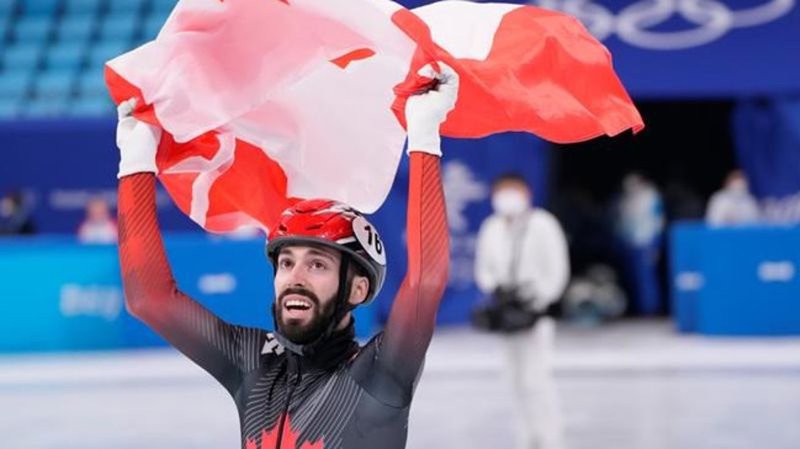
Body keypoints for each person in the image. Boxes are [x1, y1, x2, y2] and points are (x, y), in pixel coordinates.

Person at [115, 63, 457, 449]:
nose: (296, 276)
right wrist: (136, 161)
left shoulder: (377, 376)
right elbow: (149, 299)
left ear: (357, 289)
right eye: (286, 262)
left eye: (318, 264)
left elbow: (425, 282)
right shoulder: (254, 363)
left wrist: (424, 137)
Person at [474, 173, 570, 449]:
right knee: (513, 378)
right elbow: (483, 268)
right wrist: (496, 288)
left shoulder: (543, 224)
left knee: (537, 378)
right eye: (501, 191)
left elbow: (557, 269)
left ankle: (549, 439)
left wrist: (538, 299)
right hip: (506, 314)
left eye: (512, 190)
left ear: (526, 193)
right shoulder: (491, 227)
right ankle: (524, 437)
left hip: (535, 313)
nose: (507, 197)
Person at [614, 172, 665, 315]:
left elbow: (658, 222)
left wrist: (656, 244)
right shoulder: (626, 199)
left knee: (646, 278)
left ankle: (651, 308)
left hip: (646, 243)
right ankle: (636, 307)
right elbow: (622, 222)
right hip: (631, 244)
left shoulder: (651, 197)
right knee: (632, 277)